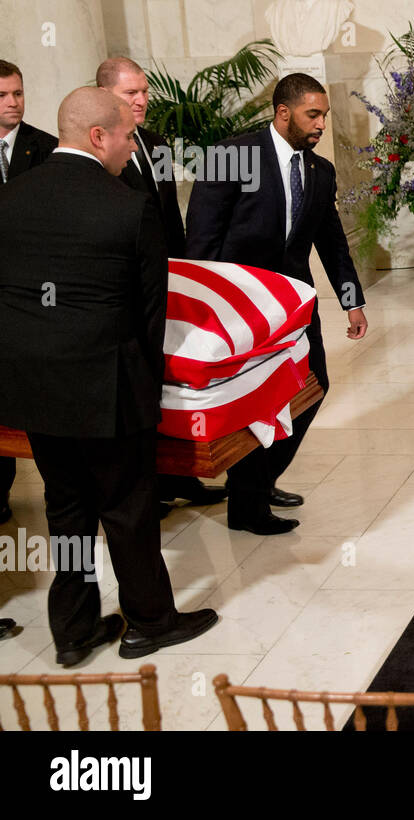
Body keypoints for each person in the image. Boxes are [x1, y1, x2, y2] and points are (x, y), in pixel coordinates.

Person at [0, 87, 218, 664]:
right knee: (128, 509)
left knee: (66, 506)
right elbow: (152, 314)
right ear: (98, 136)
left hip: (36, 388)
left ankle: (73, 632)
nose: (130, 148)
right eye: (125, 135)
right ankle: (150, 622)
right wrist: (151, 387)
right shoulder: (128, 206)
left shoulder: (9, 198)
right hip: (110, 386)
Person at [185, 73, 368, 534]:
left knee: (313, 387)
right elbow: (202, 241)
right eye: (313, 114)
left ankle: (260, 479)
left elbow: (332, 243)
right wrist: (208, 312)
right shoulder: (233, 156)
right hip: (239, 309)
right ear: (283, 112)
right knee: (251, 402)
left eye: (323, 115)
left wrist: (352, 301)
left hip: (294, 306)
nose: (321, 124)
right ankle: (247, 504)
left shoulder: (319, 171)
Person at [96, 56, 228, 514]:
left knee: (173, 383)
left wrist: (190, 274)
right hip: (126, 294)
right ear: (104, 97)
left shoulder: (154, 143)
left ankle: (182, 477)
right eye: (130, 93)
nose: (142, 100)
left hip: (168, 283)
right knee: (139, 393)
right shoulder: (98, 155)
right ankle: (146, 488)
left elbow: (169, 219)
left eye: (145, 91)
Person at [0, 59, 57, 527]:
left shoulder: (47, 148)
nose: (14, 102)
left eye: (17, 93)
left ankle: (58, 480)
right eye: (2, 96)